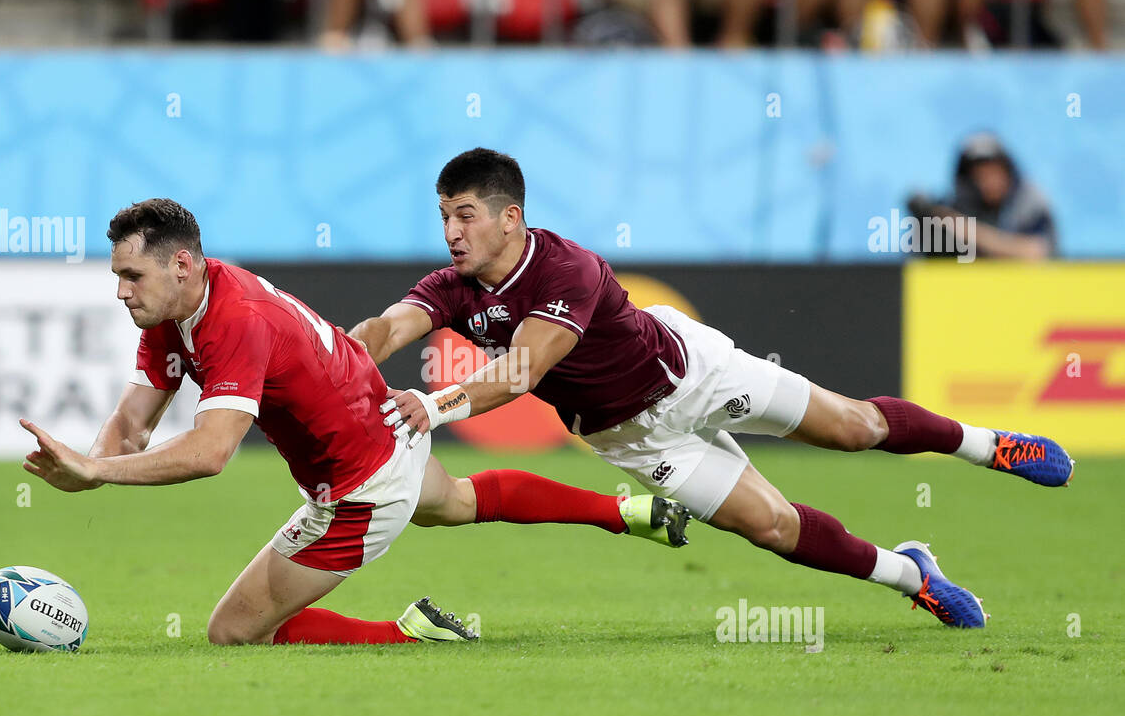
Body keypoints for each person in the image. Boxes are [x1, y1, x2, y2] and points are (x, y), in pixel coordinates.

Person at [351, 148, 1077, 630]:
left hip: (694, 374)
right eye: (444, 215)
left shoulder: (567, 269)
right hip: (630, 436)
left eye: (465, 214)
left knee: (854, 427)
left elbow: (524, 368)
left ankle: (988, 445)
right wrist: (339, 356)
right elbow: (391, 325)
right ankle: (908, 572)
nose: (450, 230)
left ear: (510, 216)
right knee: (773, 527)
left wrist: (436, 404)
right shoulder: (452, 287)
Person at [20, 198, 689, 647]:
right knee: (454, 501)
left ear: (183, 264)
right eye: (117, 275)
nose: (120, 290)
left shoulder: (234, 320)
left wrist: (99, 469)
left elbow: (211, 451)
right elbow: (131, 424)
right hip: (384, 425)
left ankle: (411, 637)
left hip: (361, 484)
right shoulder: (170, 314)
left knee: (232, 631)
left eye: (132, 274)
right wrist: (89, 466)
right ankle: (625, 511)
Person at [907, 132, 1057, 260]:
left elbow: (1038, 253)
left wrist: (965, 230)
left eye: (994, 172)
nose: (988, 182)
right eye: (979, 176)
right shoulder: (958, 204)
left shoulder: (1028, 203)